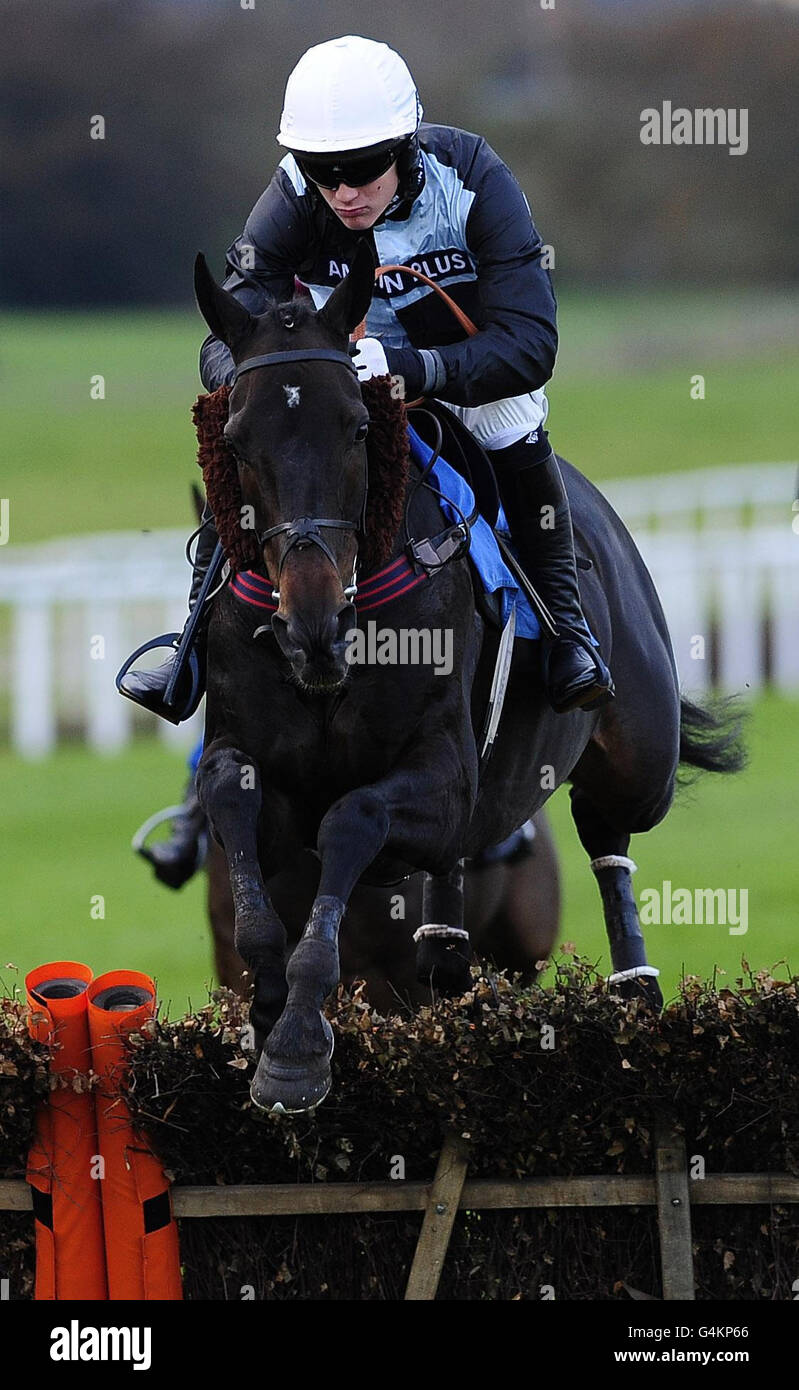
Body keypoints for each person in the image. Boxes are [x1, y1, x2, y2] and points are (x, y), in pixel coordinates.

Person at [120, 35, 613, 877]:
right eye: (323, 172)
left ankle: (566, 632)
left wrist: (416, 370)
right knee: (258, 475)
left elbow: (530, 343)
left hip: (464, 373)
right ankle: (191, 655)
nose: (342, 192)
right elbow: (227, 329)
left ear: (407, 145)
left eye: (362, 169)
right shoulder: (291, 196)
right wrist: (265, 373)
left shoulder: (475, 178)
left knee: (511, 431)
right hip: (339, 382)